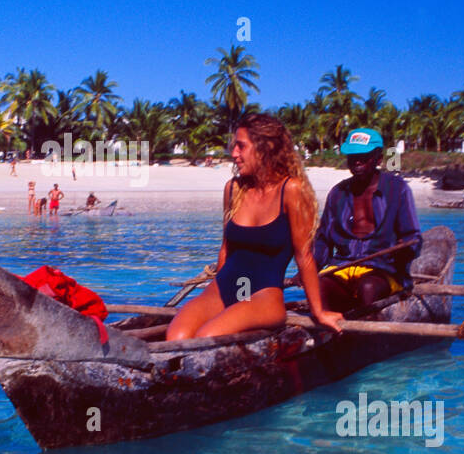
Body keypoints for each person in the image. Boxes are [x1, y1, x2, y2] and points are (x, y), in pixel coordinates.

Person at [166, 113, 343, 341]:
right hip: (225, 287)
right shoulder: (233, 189)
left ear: (265, 148)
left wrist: (319, 312)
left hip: (262, 296)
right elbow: (225, 249)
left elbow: (304, 256)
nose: (234, 154)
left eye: (241, 146)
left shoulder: (291, 190)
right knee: (176, 337)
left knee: (207, 336)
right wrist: (217, 290)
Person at [313, 128, 422, 313]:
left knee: (368, 288)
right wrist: (309, 270)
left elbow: (413, 238)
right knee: (317, 287)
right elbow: (323, 239)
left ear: (378, 159)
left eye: (364, 157)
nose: (357, 162)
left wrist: (406, 248)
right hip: (342, 266)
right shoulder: (337, 193)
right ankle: (328, 334)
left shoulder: (397, 189)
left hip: (383, 269)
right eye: (352, 156)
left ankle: (363, 335)